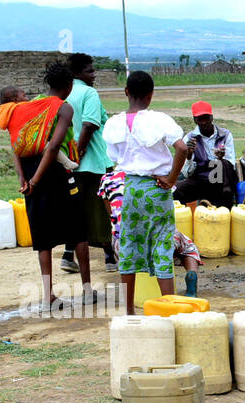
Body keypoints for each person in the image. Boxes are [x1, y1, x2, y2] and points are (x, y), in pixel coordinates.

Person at [0, 63, 92, 311]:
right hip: (56, 176)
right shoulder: (64, 108)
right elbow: (52, 147)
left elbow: (15, 144)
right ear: (69, 86)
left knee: (43, 236)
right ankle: (87, 289)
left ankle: (48, 295)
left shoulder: (25, 107)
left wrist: (24, 180)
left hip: (30, 178)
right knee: (78, 230)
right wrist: (37, 179)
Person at [100, 70, 188, 315]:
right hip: (156, 189)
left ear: (126, 92)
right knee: (161, 243)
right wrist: (171, 179)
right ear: (151, 95)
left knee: (128, 243)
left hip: (131, 190)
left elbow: (114, 159)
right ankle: (169, 307)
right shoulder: (158, 120)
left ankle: (128, 311)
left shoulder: (114, 123)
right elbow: (182, 148)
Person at [100, 170, 202, 297]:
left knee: (126, 253)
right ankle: (191, 274)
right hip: (159, 238)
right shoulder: (157, 176)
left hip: (124, 242)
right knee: (187, 247)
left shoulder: (107, 179)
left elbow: (111, 215)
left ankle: (131, 307)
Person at [61, 52, 116, 275]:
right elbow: (89, 125)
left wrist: (70, 159)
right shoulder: (88, 93)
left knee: (76, 211)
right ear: (77, 73)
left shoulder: (64, 93)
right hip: (92, 162)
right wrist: (79, 153)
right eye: (90, 71)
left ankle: (67, 254)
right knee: (102, 210)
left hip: (69, 164)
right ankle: (110, 256)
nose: (94, 75)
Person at [175, 101, 236, 208]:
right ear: (195, 120)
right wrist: (189, 156)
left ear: (212, 117)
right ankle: (182, 216)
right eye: (200, 119)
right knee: (175, 191)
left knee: (224, 165)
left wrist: (221, 158)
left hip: (220, 181)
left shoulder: (225, 135)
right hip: (200, 180)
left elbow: (231, 165)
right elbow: (186, 173)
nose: (203, 122)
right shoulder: (189, 139)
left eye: (206, 118)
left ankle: (225, 198)